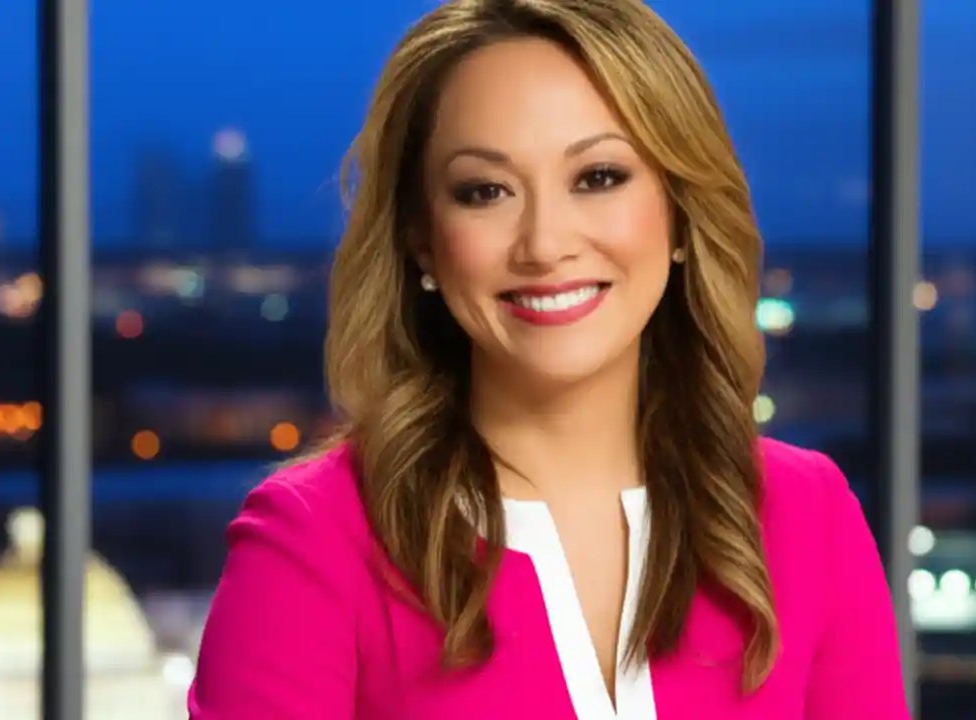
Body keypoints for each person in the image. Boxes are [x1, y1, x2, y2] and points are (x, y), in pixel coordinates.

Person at [187, 0, 910, 717]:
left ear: (682, 213)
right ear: (422, 241)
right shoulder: (315, 541)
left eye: (598, 177)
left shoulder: (807, 516)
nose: (543, 243)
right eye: (485, 191)